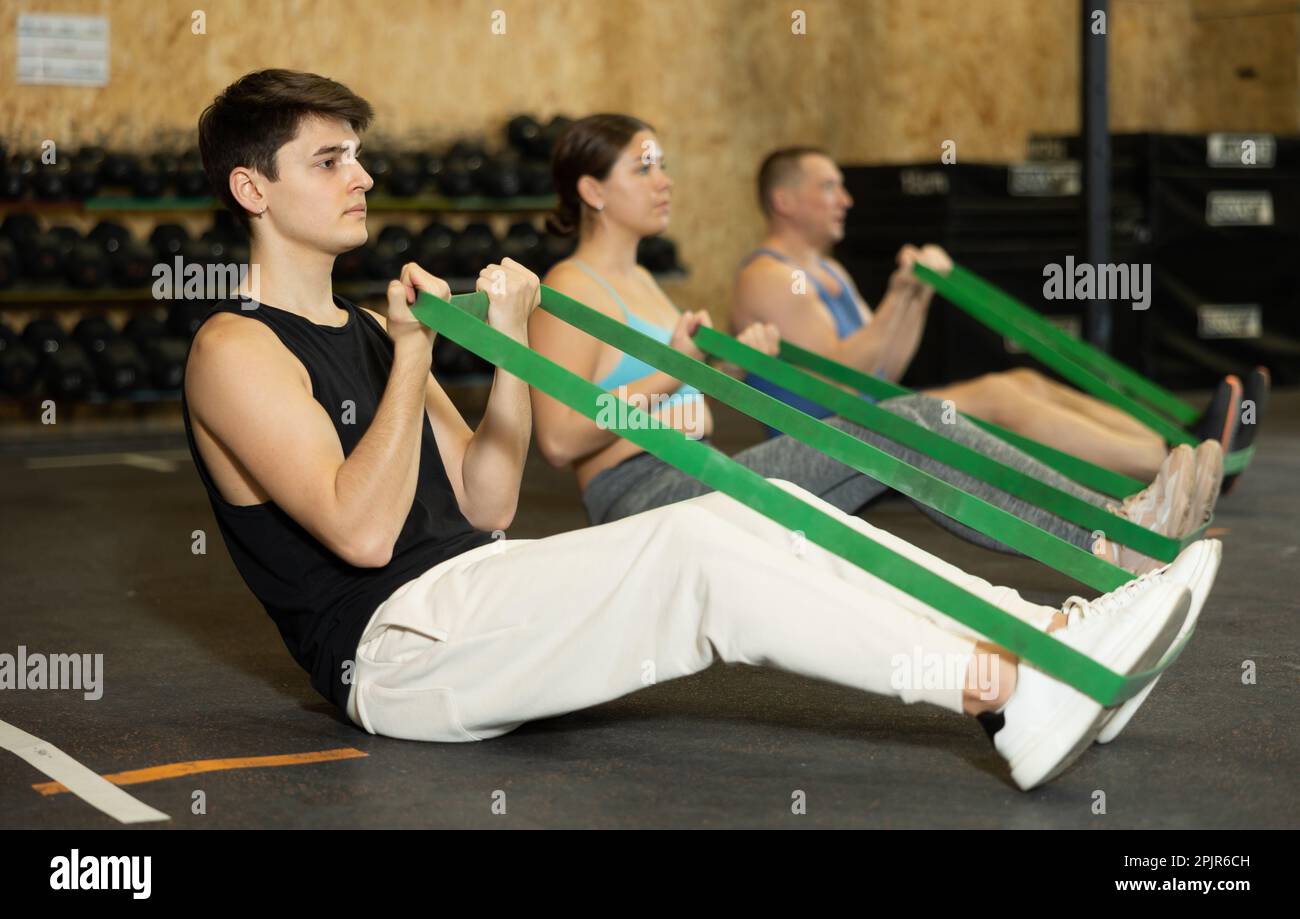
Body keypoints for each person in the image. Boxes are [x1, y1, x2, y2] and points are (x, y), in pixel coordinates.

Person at [180, 70, 1213, 794]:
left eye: (359, 155)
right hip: (395, 653)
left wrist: (499, 349)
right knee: (705, 549)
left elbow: (487, 502)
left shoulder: (363, 325)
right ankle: (1001, 692)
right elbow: (362, 538)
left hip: (474, 590)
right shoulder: (235, 350)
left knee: (771, 516)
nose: (361, 176)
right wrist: (413, 358)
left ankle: (1049, 639)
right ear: (252, 187)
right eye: (328, 161)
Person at [530, 114, 1221, 574]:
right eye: (644, 168)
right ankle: (1104, 540)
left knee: (922, 421)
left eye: (663, 164)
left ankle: (1112, 526)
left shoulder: (648, 282)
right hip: (642, 496)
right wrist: (673, 368)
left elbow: (689, 413)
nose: (665, 180)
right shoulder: (569, 288)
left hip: (696, 465)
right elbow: (560, 438)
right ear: (592, 189)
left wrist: (710, 365)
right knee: (905, 427)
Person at [732, 146, 1244, 480]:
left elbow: (887, 367)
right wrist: (897, 292)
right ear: (784, 200)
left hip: (871, 417)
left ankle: (1178, 445)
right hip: (825, 448)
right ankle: (1177, 468)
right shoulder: (770, 278)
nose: (845, 199)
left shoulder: (831, 272)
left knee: (1023, 378)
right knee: (998, 395)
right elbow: (841, 383)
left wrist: (917, 295)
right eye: (828, 187)